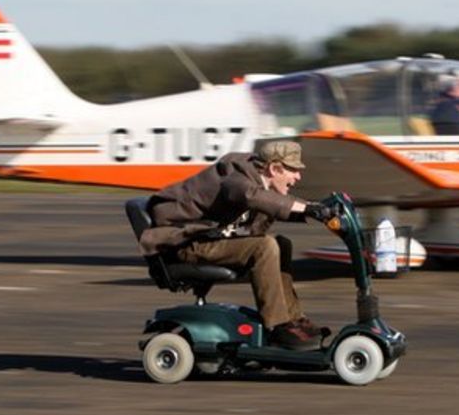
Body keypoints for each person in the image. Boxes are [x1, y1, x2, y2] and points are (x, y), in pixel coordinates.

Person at [138, 140, 333, 350]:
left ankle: (293, 319)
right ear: (274, 168)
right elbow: (254, 197)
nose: (298, 177)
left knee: (281, 244)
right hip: (187, 242)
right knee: (264, 247)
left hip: (210, 238)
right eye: (293, 170)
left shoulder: (260, 177)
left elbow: (273, 200)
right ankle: (276, 326)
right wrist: (308, 210)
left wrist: (317, 208)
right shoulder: (237, 179)